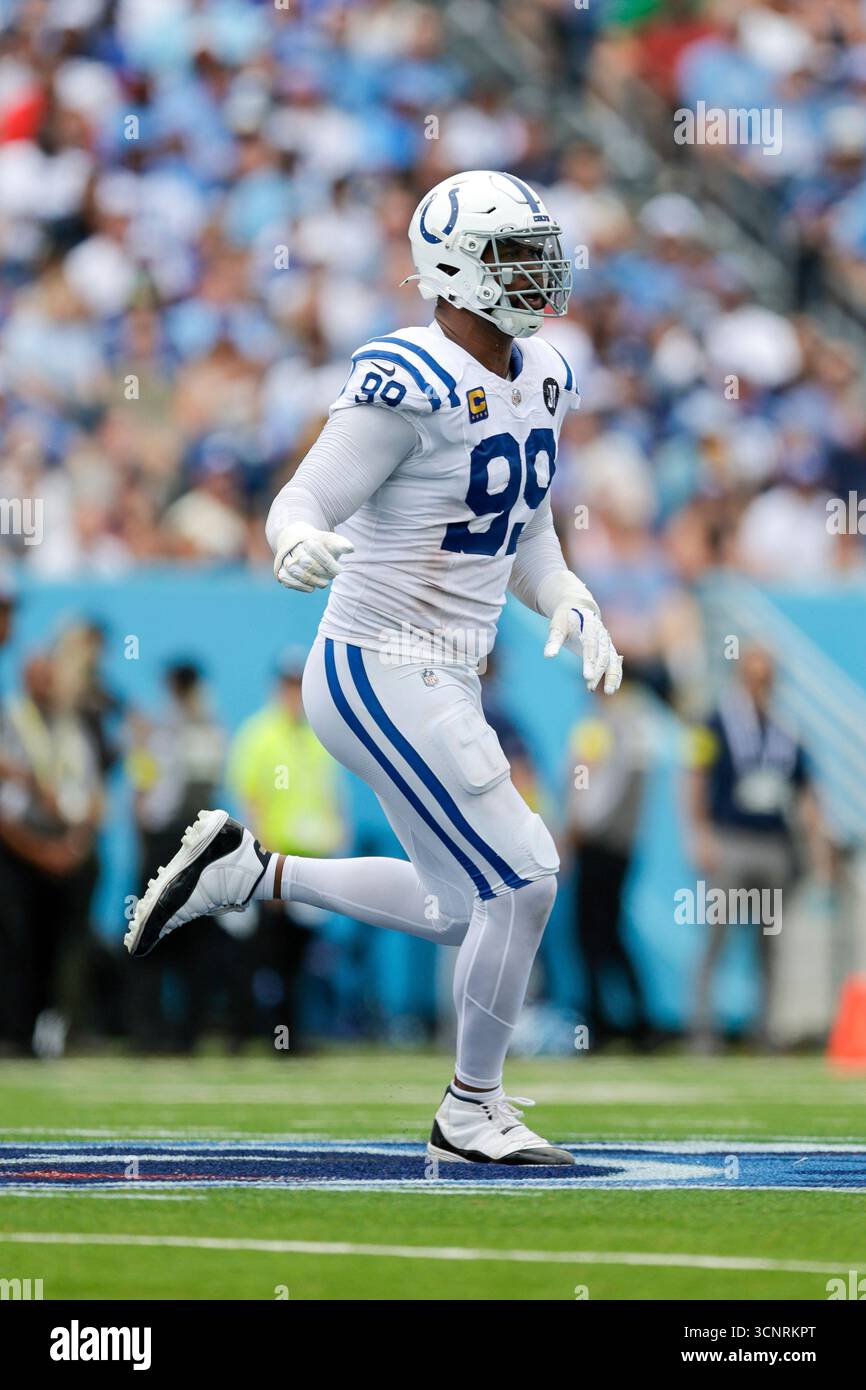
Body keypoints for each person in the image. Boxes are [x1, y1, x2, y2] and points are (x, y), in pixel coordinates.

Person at [125, 170, 623, 1164]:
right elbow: (300, 498)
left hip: (445, 671)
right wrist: (293, 542)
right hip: (374, 661)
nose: (537, 273)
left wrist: (567, 594)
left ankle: (248, 873)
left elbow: (520, 527)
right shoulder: (408, 376)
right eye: (512, 256)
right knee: (524, 877)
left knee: (457, 907)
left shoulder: (545, 373)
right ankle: (469, 1110)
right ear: (451, 271)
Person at [686, 644, 830, 1050]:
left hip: (773, 843)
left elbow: (806, 793)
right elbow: (695, 776)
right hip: (731, 839)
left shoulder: (785, 729)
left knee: (770, 942)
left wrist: (817, 846)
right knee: (716, 937)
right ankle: (702, 1030)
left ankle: (764, 1030)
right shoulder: (717, 721)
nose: (758, 684)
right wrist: (699, 832)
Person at [228, 649, 346, 1051]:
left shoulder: (314, 735)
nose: (295, 693)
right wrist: (264, 858)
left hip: (311, 860)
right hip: (275, 860)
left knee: (299, 956)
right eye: (289, 684)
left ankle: (288, 1037)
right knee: (265, 952)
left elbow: (328, 796)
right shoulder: (260, 734)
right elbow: (252, 799)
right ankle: (248, 1032)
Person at [126, 661, 227, 1052]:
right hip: (176, 838)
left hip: (183, 837)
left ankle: (180, 1032)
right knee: (157, 932)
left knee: (185, 935)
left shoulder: (191, 730)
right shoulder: (177, 730)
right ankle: (153, 1030)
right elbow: (142, 789)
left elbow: (149, 791)